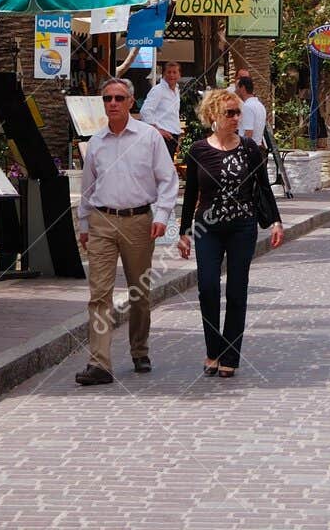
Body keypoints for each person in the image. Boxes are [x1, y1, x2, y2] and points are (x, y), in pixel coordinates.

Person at [75, 77, 179, 386]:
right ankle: (99, 363)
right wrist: (84, 224)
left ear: (131, 102)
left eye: (119, 98)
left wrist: (161, 216)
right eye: (107, 98)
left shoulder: (149, 137)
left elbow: (167, 179)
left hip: (138, 221)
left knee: (139, 292)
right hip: (102, 221)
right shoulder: (96, 142)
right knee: (99, 294)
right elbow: (87, 187)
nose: (113, 103)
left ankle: (139, 349)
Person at [177, 88, 284, 377]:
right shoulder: (198, 150)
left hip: (242, 228)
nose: (237, 117)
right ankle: (213, 350)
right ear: (214, 115)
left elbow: (263, 188)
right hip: (207, 230)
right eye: (231, 113)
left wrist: (275, 221)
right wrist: (184, 232)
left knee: (237, 292)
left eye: (239, 112)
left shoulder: (250, 149)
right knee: (208, 288)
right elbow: (191, 196)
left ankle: (230, 357)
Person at [138, 61, 184, 157]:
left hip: (172, 137)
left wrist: (177, 137)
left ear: (179, 75)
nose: (171, 75)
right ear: (164, 74)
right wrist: (158, 130)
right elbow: (145, 111)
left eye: (174, 72)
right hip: (161, 137)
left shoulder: (176, 90)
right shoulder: (158, 90)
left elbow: (173, 115)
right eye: (169, 72)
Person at [234, 74, 267, 147]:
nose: (235, 91)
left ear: (242, 88)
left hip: (249, 149)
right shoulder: (260, 105)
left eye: (237, 88)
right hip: (257, 147)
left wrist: (242, 149)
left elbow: (248, 132)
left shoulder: (247, 107)